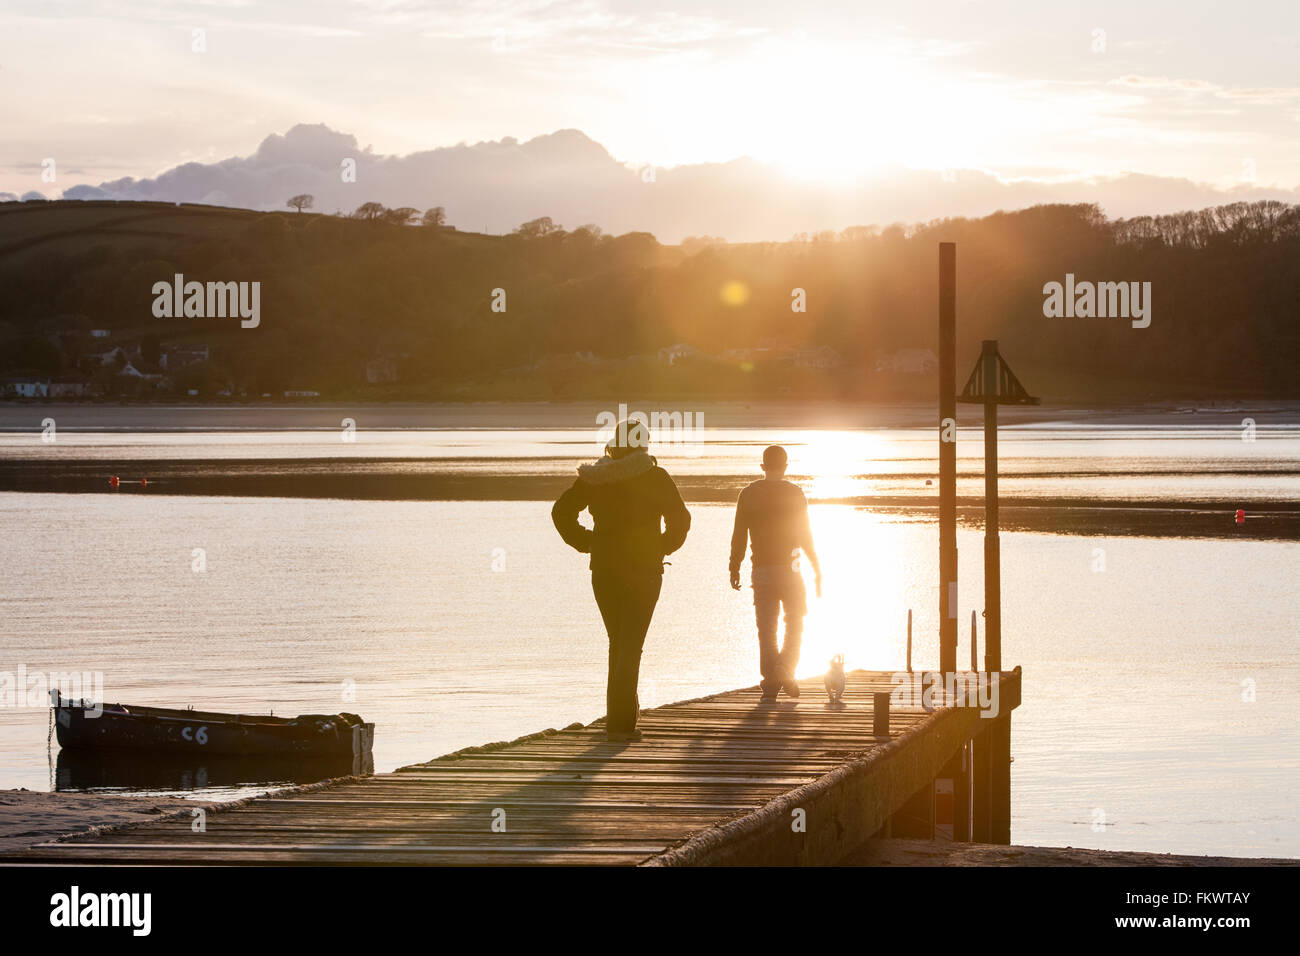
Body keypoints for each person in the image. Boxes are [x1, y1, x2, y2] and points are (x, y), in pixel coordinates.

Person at [552, 419, 691, 740]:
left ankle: (622, 717)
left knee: (620, 643)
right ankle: (621, 724)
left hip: (604, 569)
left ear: (614, 443)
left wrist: (587, 542)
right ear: (644, 443)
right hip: (643, 569)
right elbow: (681, 519)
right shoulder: (656, 476)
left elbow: (561, 513)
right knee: (630, 645)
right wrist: (662, 546)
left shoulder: (594, 477)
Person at [729, 445, 820, 700]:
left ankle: (770, 681)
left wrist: (734, 567)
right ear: (786, 467)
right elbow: (805, 535)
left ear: (762, 466)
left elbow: (739, 536)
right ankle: (785, 669)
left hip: (762, 570)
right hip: (791, 570)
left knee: (766, 628)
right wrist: (816, 566)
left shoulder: (748, 494)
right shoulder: (795, 493)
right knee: (795, 621)